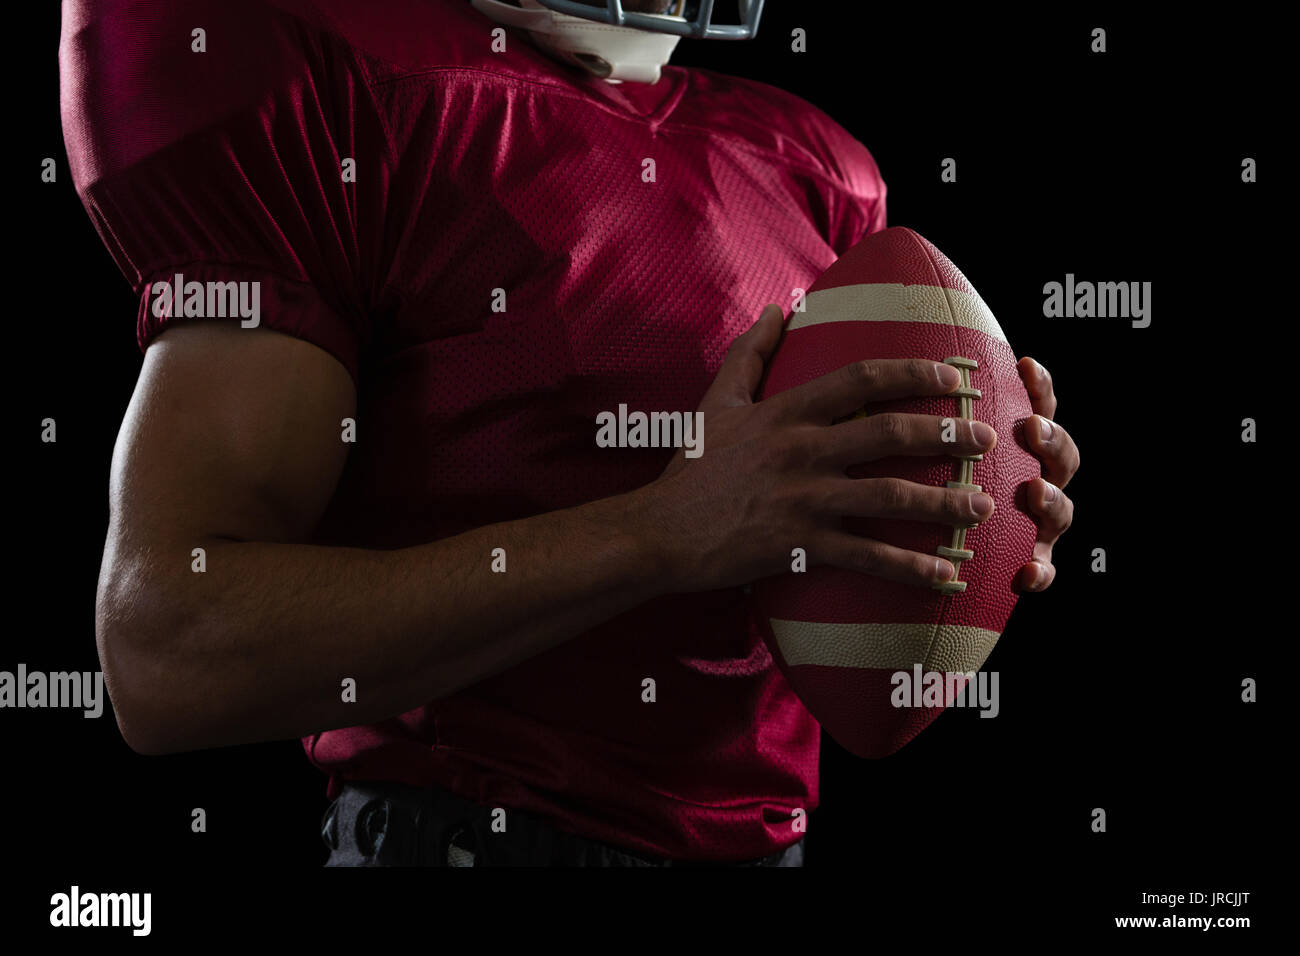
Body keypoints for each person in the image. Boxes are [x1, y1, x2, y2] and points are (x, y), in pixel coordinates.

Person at [61, 0, 1079, 866]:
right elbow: (167, 650)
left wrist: (963, 500)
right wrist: (655, 533)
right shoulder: (355, 90)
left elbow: (829, 593)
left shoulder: (816, 171)